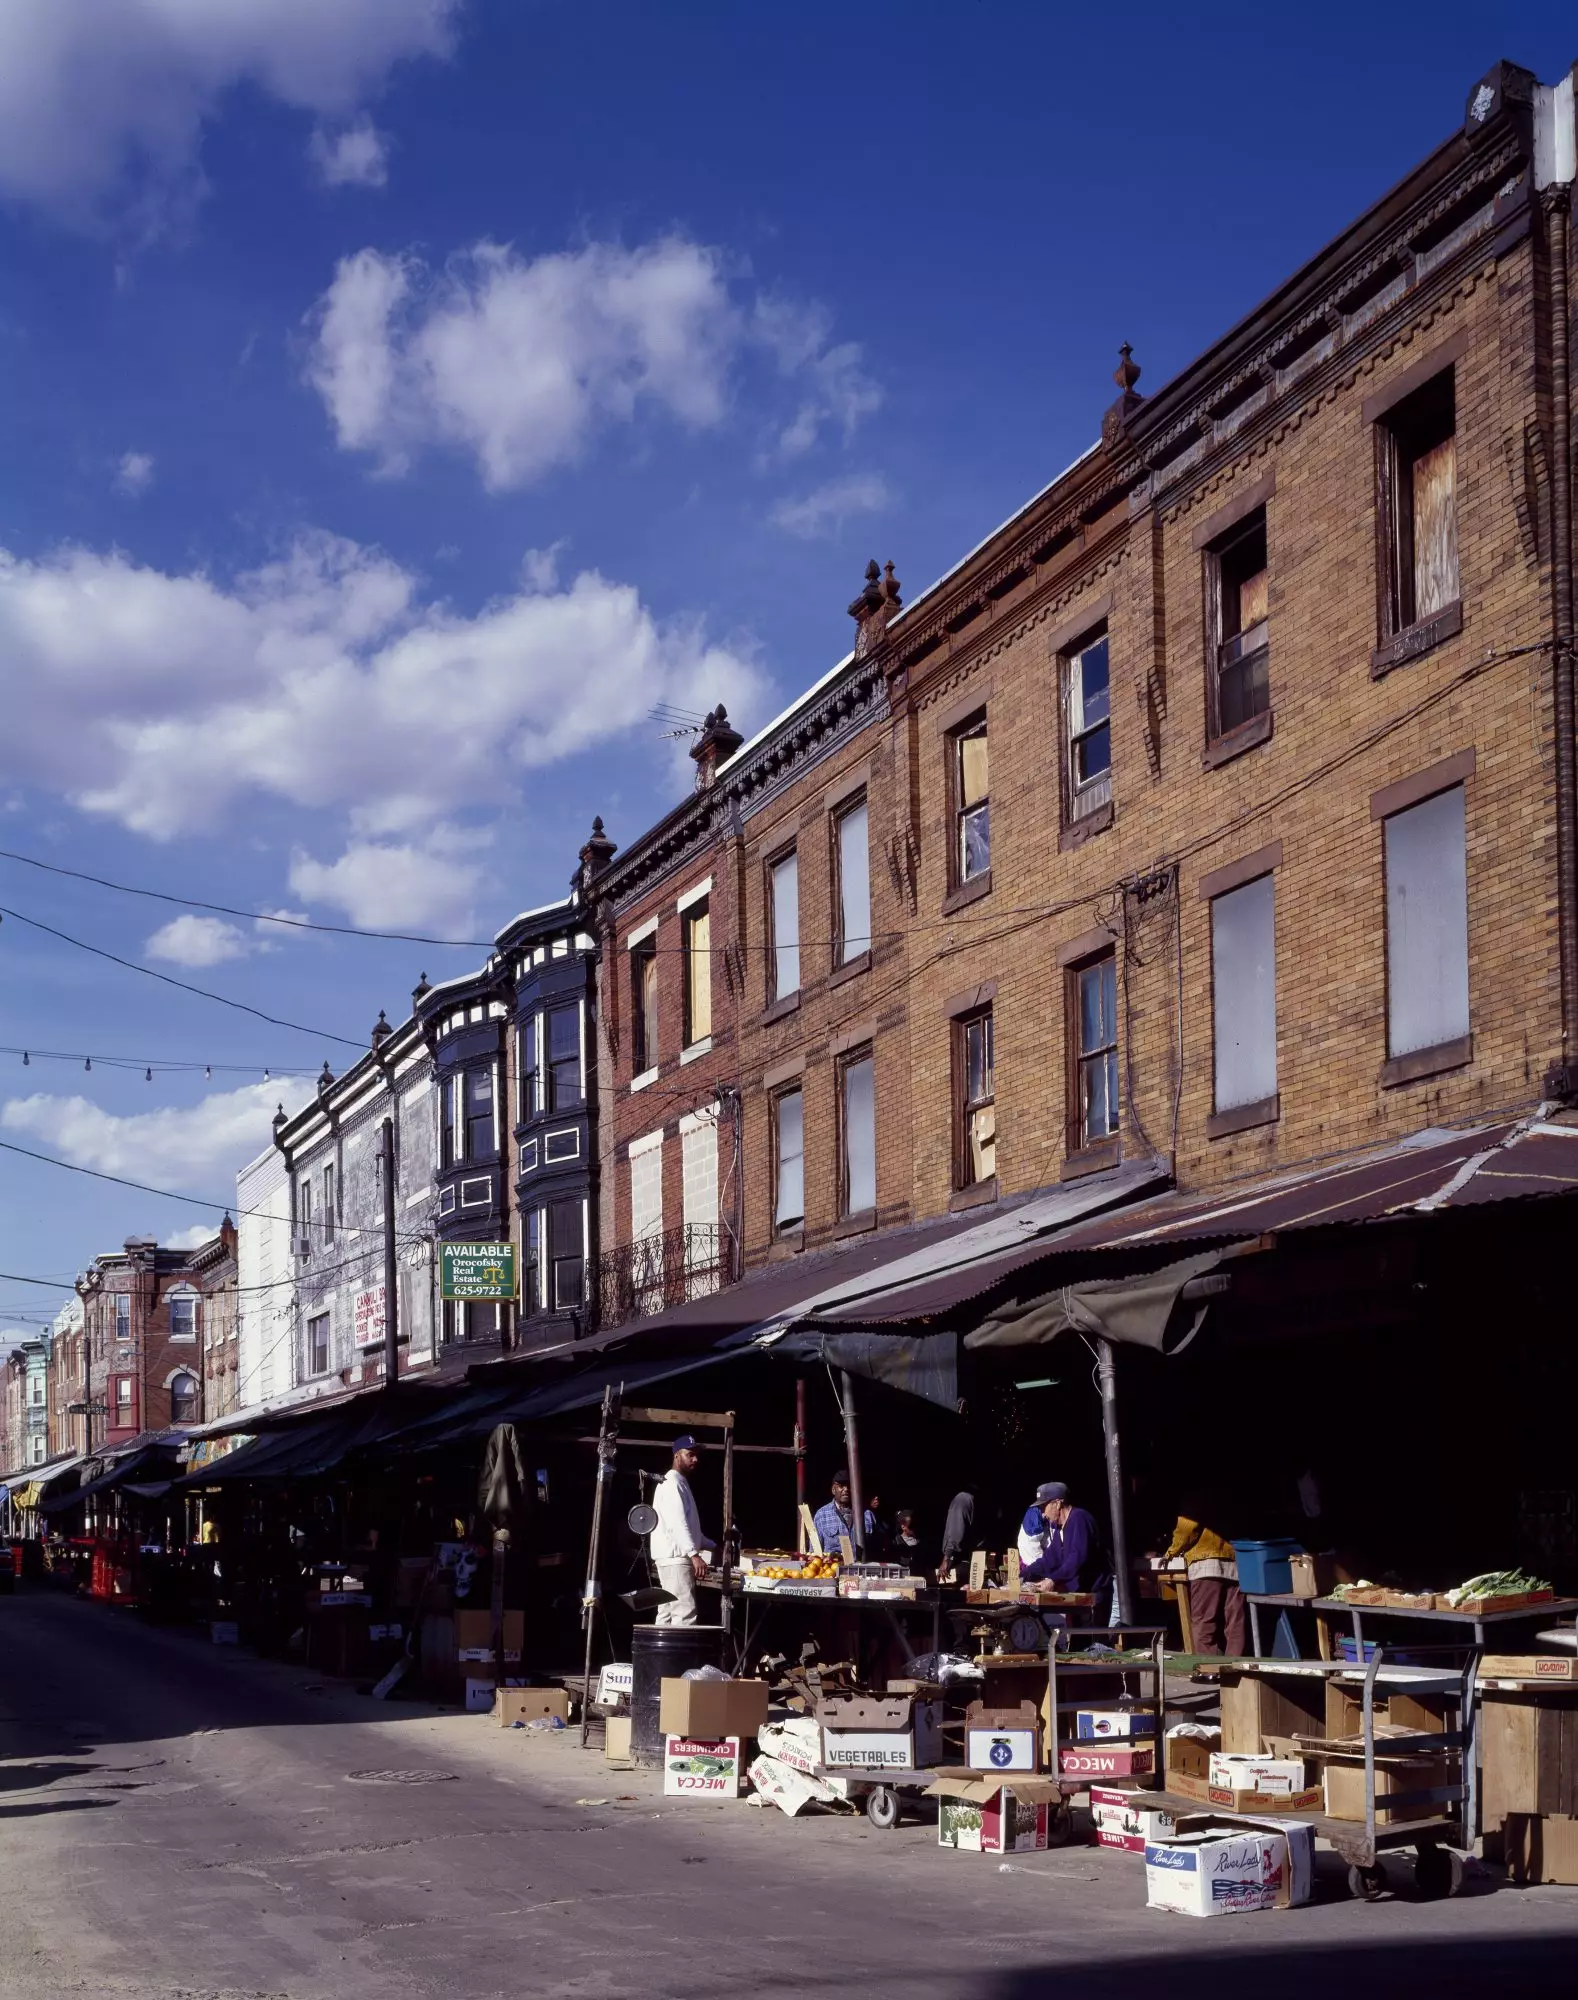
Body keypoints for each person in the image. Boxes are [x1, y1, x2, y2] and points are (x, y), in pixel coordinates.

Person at [649, 1435, 715, 1626]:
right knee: (684, 1614)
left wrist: (711, 1545)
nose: (695, 1459)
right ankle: (681, 1656)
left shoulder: (679, 1483)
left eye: (696, 1455)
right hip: (676, 1560)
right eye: (690, 1454)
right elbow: (677, 1524)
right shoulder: (672, 1483)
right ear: (677, 1456)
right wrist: (694, 1554)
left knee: (667, 1614)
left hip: (672, 1559)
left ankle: (661, 1656)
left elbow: (689, 1527)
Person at [1162, 1513, 1246, 1657]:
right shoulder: (1233, 1496)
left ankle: (1208, 1669)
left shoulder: (1198, 1496)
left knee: (1203, 1621)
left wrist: (1171, 1551)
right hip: (1235, 1562)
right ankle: (1235, 1666)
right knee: (1235, 1621)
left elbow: (1186, 1528)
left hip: (1206, 1563)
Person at [1020, 1482, 1111, 1608]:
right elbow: (1049, 1560)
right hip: (1078, 1595)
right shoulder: (1060, 1528)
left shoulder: (1079, 1518)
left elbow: (1077, 1558)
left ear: (1057, 1503)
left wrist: (1052, 1579)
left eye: (1043, 1507)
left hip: (1092, 1594)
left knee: (1089, 1628)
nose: (1043, 1514)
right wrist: (1022, 1575)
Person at [812, 1470, 876, 1558]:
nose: (846, 1489)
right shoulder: (822, 1515)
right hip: (833, 1570)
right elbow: (814, 1553)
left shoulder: (867, 1514)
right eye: (841, 1486)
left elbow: (877, 1548)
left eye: (849, 1486)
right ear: (833, 1490)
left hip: (861, 1569)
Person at [939, 1486, 977, 1580]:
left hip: (958, 1561)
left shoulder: (961, 1499)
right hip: (970, 1559)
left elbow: (956, 1531)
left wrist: (946, 1558)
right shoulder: (969, 1498)